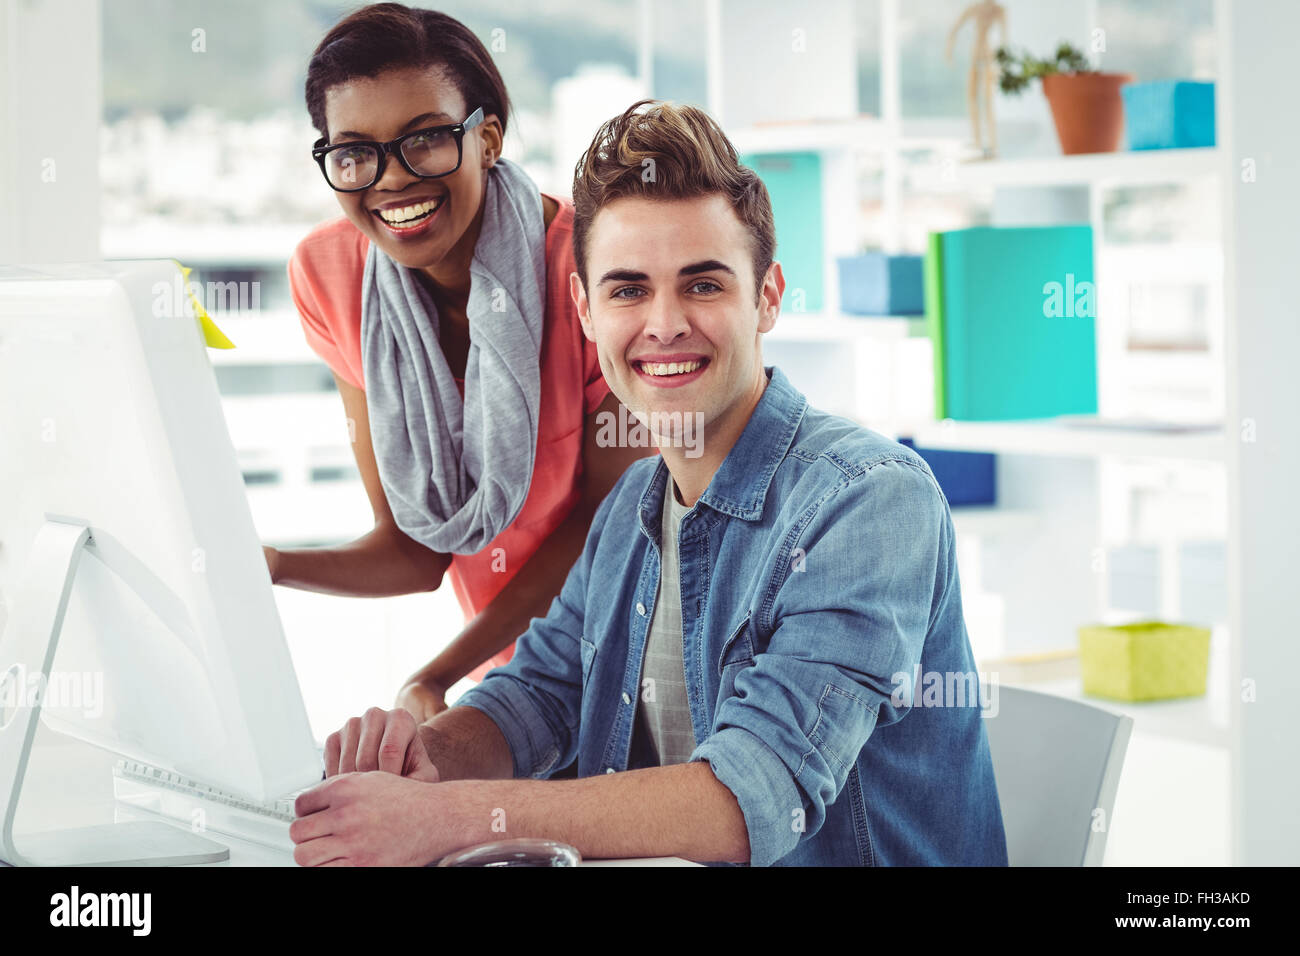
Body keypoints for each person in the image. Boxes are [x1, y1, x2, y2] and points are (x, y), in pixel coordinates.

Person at [290, 100, 1009, 867]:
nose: (663, 324)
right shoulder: (632, 504)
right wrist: (423, 761)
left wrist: (447, 819)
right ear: (586, 311)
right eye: (628, 290)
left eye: (702, 285)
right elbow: (538, 694)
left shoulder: (870, 499)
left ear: (767, 297)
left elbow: (756, 791)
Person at [271, 3, 650, 719]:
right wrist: (272, 567)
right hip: (520, 681)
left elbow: (611, 530)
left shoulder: (598, 268)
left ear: (488, 139)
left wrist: (437, 677)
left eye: (426, 140)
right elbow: (415, 553)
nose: (391, 180)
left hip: (647, 654)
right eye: (355, 153)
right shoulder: (329, 275)